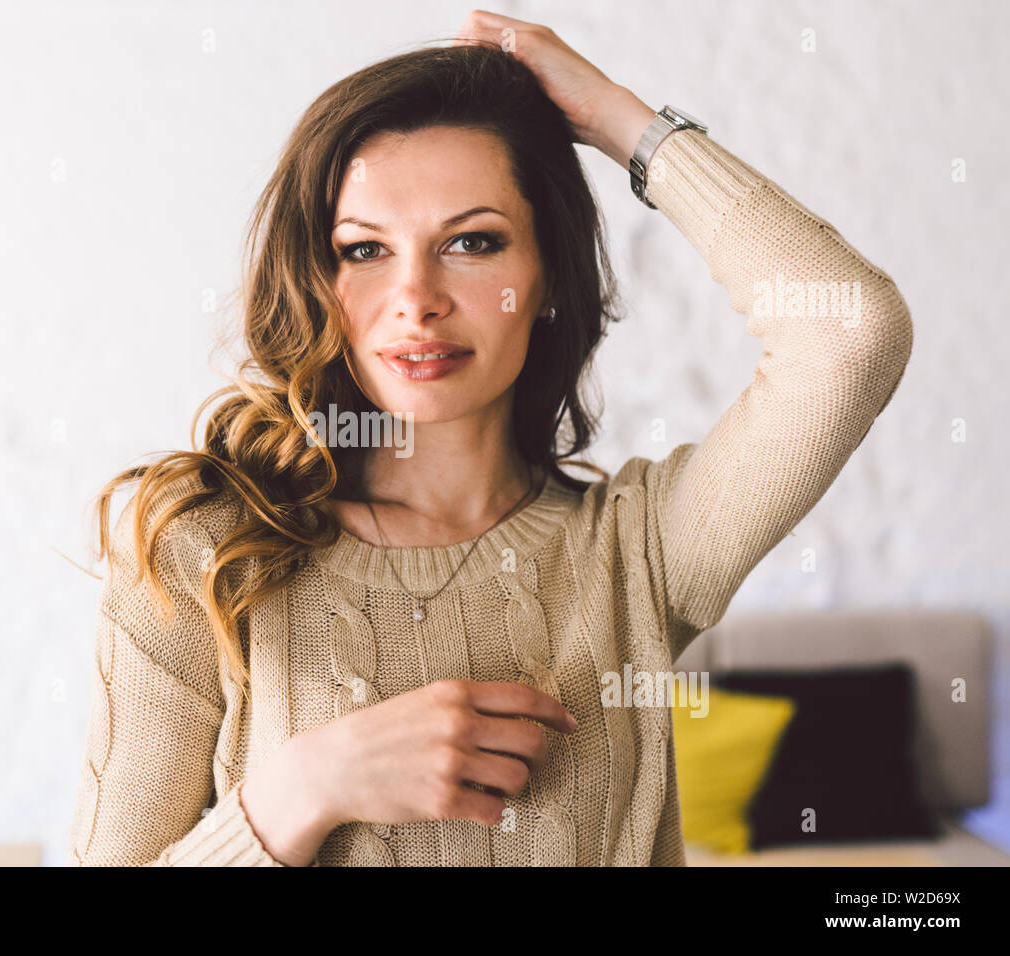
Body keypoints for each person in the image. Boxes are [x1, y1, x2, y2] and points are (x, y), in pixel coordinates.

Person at [66, 10, 912, 867]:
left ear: (546, 274)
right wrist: (306, 788)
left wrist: (623, 123)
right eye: (364, 250)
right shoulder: (202, 547)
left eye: (472, 242)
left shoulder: (638, 551)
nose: (416, 297)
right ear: (316, 279)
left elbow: (850, 333)